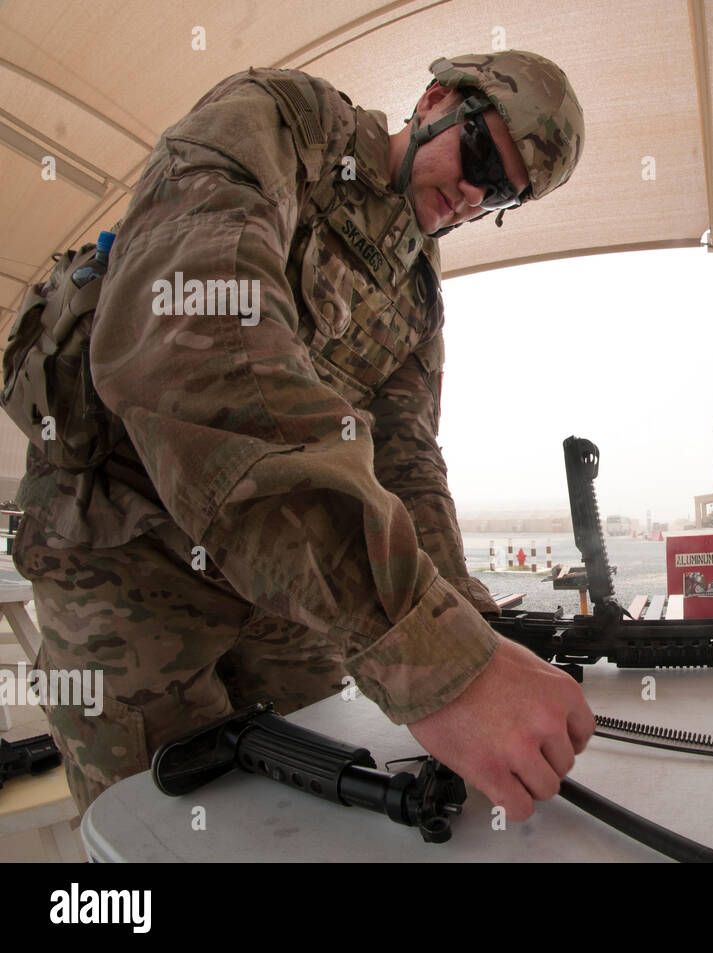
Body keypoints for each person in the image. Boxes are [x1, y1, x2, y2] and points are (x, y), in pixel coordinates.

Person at [12, 52, 592, 818]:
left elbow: (408, 463)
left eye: (501, 195)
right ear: (437, 99)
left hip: (278, 578)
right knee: (152, 821)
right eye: (480, 153)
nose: (473, 193)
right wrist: (435, 659)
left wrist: (470, 623)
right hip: (129, 551)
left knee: (315, 802)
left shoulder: (418, 294)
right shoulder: (286, 125)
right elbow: (197, 337)